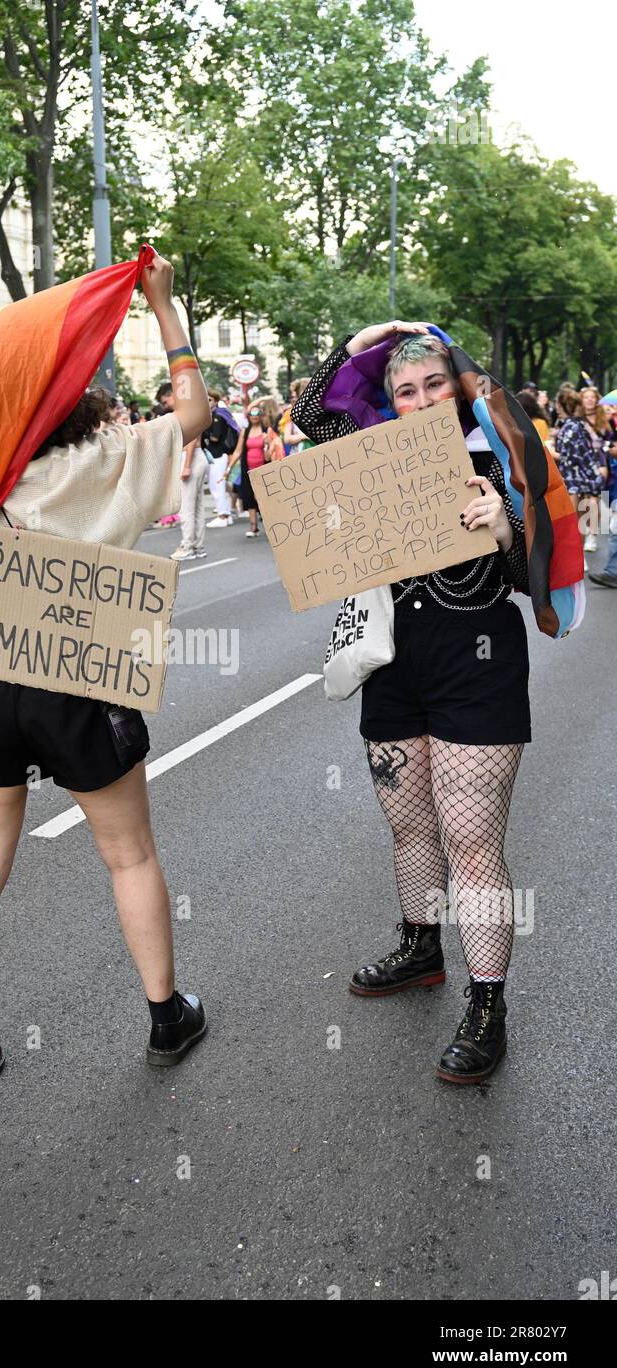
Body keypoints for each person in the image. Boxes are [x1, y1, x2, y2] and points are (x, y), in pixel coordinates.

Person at [0, 251, 212, 1117]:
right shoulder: (108, 459)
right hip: (77, 667)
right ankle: (165, 1017)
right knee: (129, 853)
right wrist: (160, 304)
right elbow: (193, 412)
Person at [292, 320, 532, 1085]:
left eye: (435, 384)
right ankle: (421, 945)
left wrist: (506, 530)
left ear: (458, 387)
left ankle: (487, 1004)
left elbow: (543, 570)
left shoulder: (498, 452)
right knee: (410, 826)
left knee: (471, 840)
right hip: (394, 664)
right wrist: (365, 338)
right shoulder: (375, 457)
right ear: (390, 402)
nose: (423, 399)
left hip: (478, 664)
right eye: (405, 390)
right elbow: (311, 418)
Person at [552, 385, 606, 569]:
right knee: (575, 519)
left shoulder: (571, 427)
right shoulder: (575, 424)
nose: (556, 408)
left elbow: (568, 457)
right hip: (580, 478)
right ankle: (578, 556)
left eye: (558, 404)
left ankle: (578, 557)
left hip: (574, 479)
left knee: (572, 520)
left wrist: (549, 451)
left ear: (563, 405)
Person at [224, 401, 282, 536]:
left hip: (263, 470)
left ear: (261, 415)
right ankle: (253, 526)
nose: (254, 416)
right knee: (249, 497)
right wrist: (228, 469)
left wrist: (267, 443)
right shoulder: (245, 431)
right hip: (247, 470)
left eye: (257, 413)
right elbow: (238, 451)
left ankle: (272, 524)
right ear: (248, 416)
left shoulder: (266, 431)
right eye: (251, 413)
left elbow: (268, 456)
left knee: (261, 498)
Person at [202, 388, 240, 527]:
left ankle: (223, 515)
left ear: (216, 401)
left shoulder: (217, 416)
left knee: (217, 485)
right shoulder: (216, 414)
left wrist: (203, 431)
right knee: (218, 485)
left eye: (210, 400)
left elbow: (215, 437)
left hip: (217, 454)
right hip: (217, 455)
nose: (207, 402)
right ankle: (226, 514)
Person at [171, 433, 209, 560]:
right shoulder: (196, 413)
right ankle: (198, 546)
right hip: (196, 456)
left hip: (190, 457)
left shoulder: (188, 413)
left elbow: (192, 439)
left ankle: (188, 547)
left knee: (187, 508)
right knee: (197, 507)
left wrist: (187, 466)